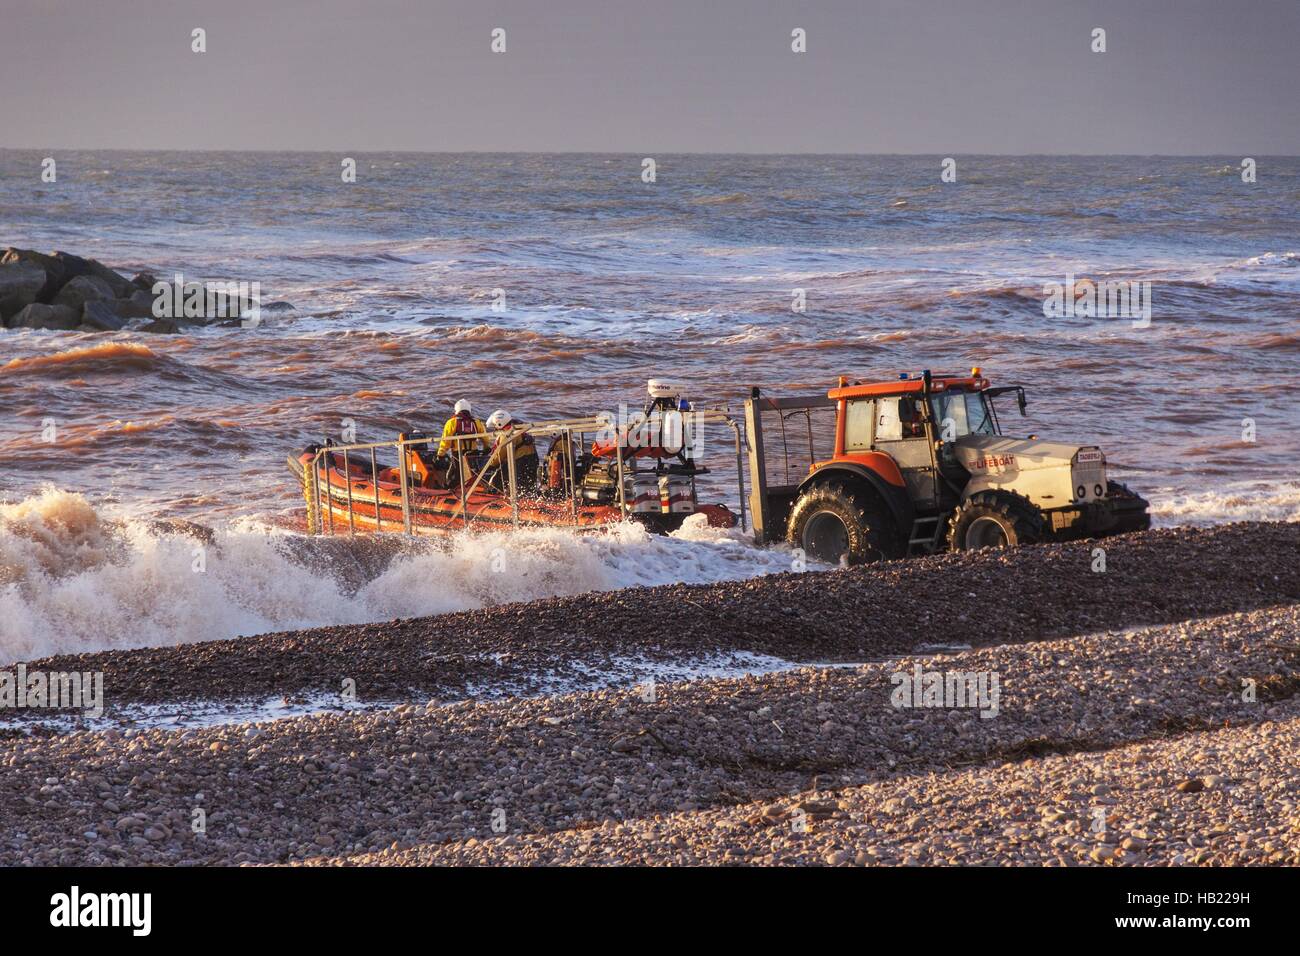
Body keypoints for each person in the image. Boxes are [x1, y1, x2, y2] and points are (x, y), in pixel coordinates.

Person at [483, 409, 539, 492]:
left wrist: (489, 464)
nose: (495, 427)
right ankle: (531, 500)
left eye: (495, 425)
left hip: (521, 461)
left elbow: (500, 455)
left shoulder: (506, 434)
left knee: (499, 479)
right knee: (529, 485)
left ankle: (500, 497)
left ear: (499, 423)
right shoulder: (518, 428)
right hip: (532, 459)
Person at [436, 399, 488, 485]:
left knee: (453, 475)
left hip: (458, 454)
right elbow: (485, 438)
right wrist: (486, 448)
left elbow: (446, 441)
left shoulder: (451, 422)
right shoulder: (476, 422)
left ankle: (452, 491)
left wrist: (440, 454)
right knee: (472, 473)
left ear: (457, 410)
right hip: (473, 454)